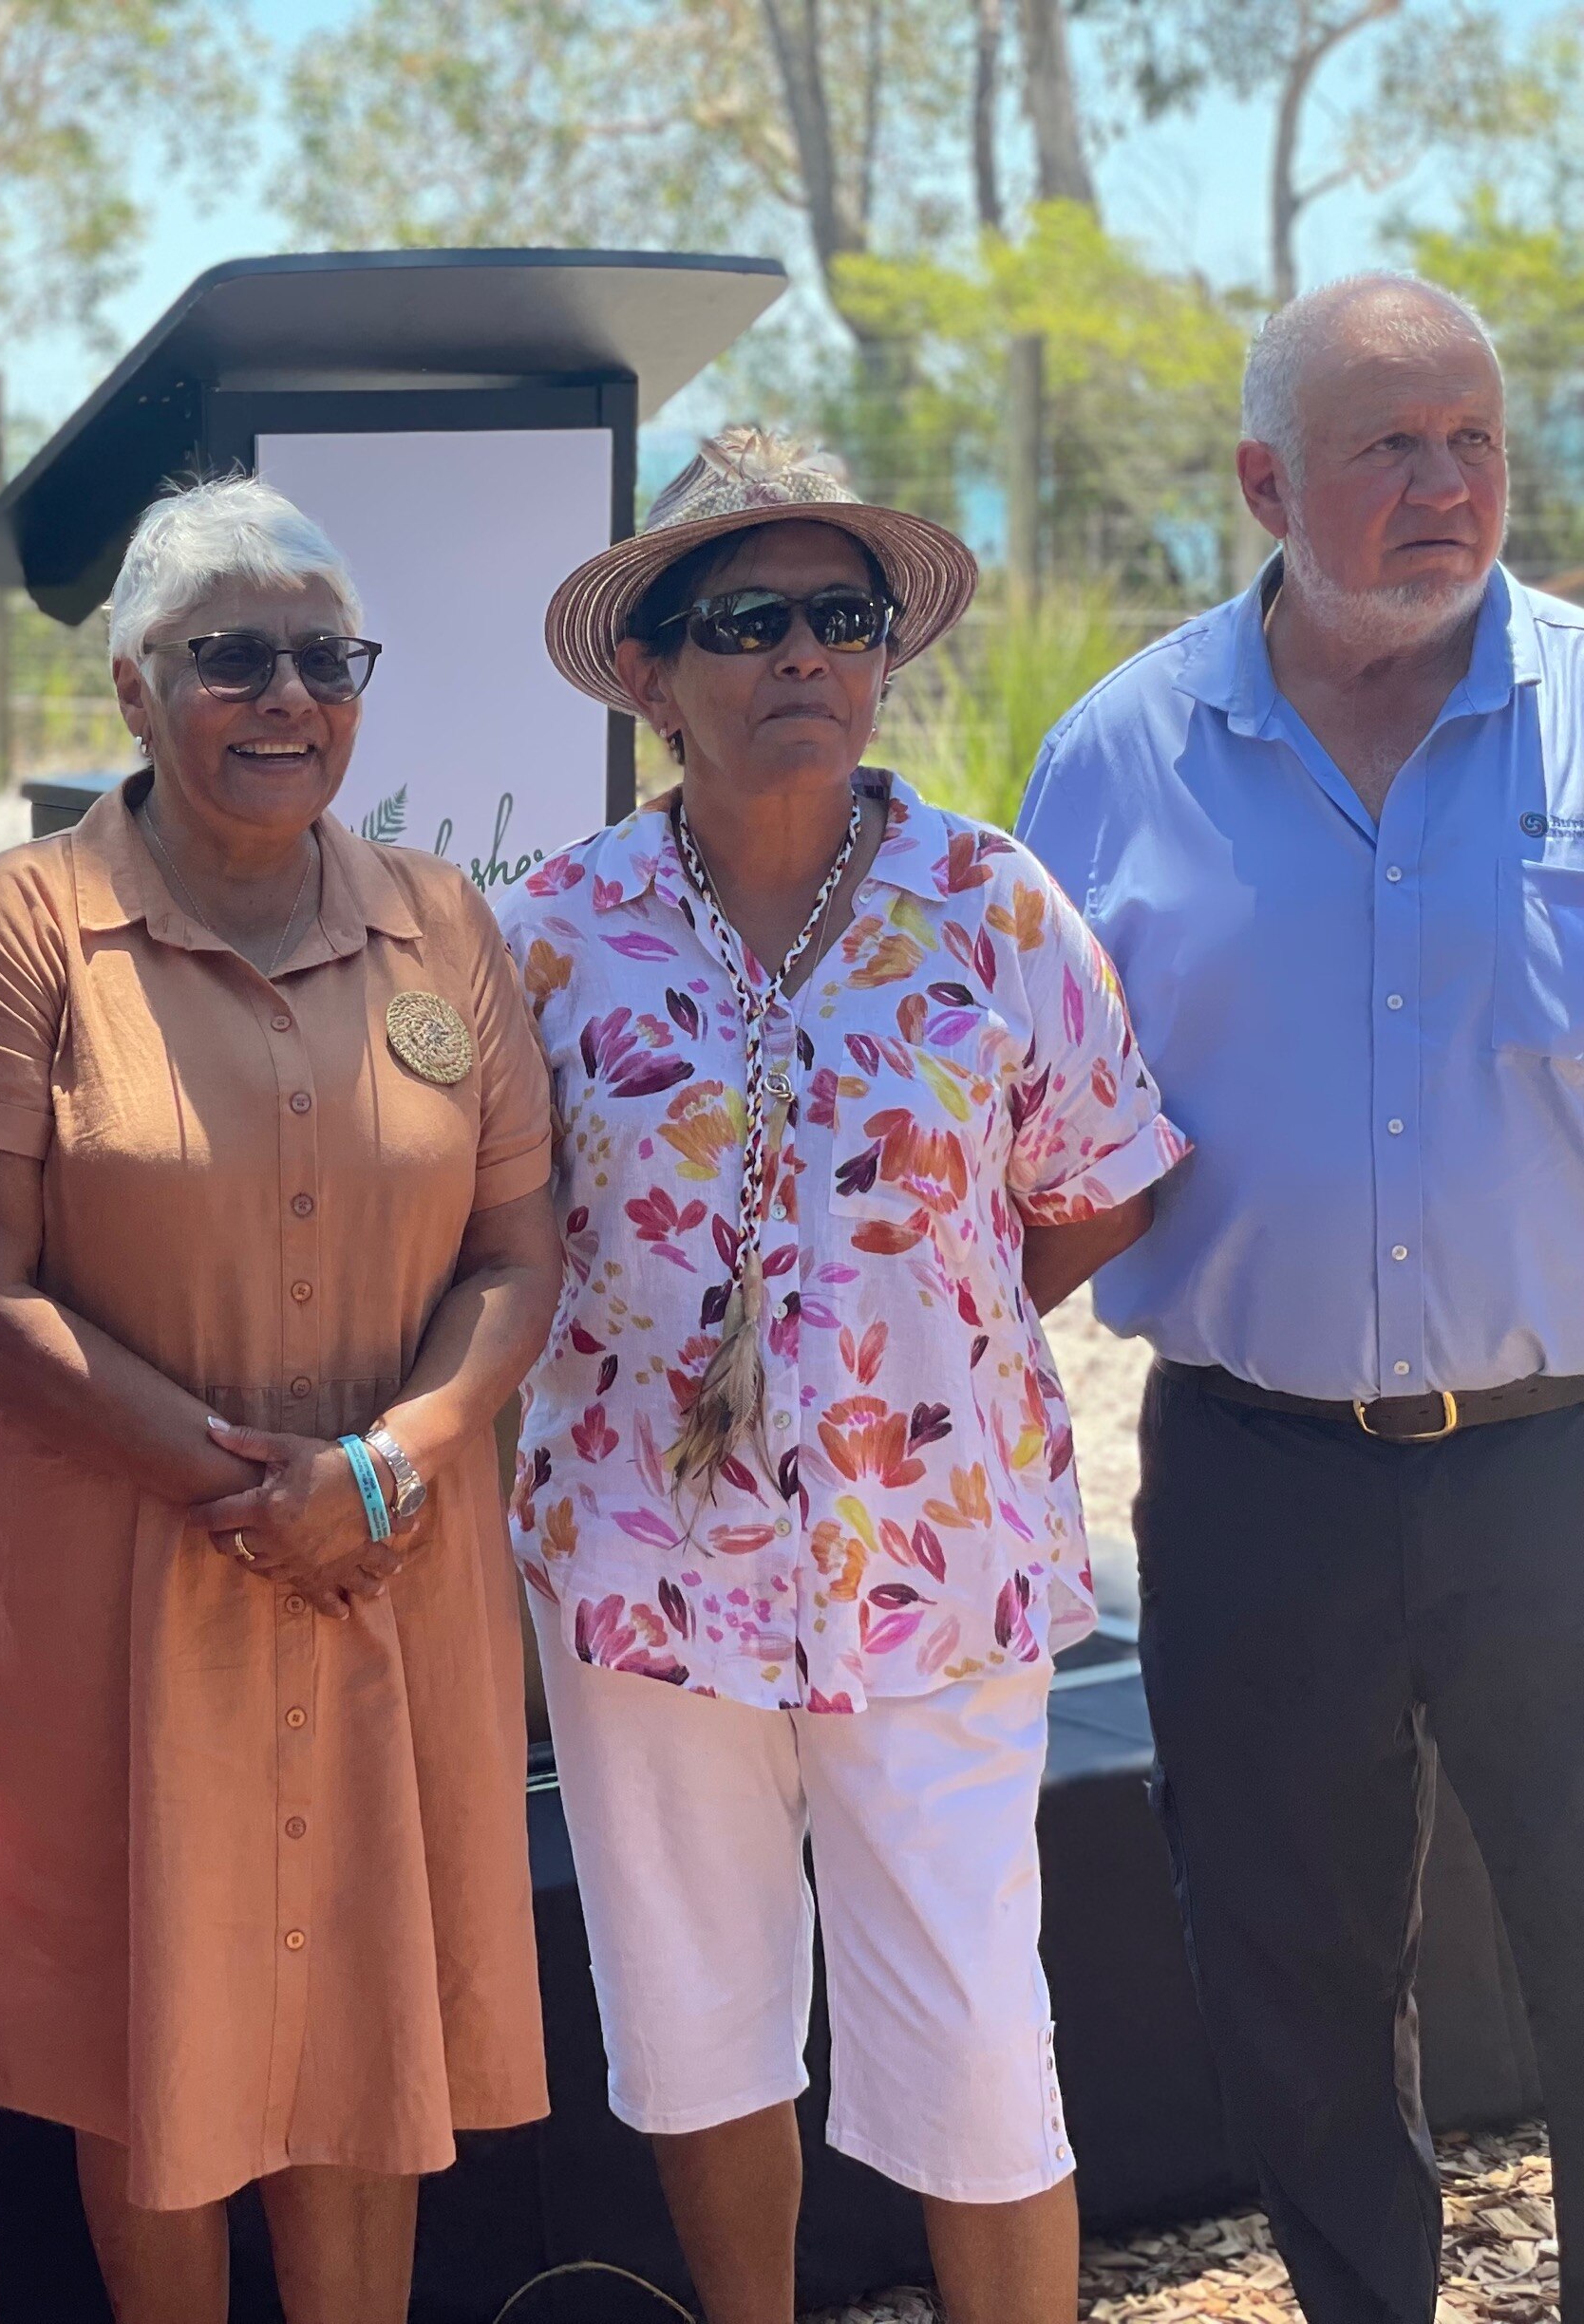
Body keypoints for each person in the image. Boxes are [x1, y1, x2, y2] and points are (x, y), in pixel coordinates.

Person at [502, 429, 1186, 2324]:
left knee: (977, 2038)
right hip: (645, 1572)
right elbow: (501, 1239)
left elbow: (1101, 1180)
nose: (803, 653)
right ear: (650, 674)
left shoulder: (993, 905)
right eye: (747, 621)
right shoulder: (549, 938)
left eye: (842, 615)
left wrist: (917, 1349)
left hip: (936, 1562)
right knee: (695, 2019)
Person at [0, 474, 560, 2322]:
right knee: (152, 2042)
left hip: (390, 1568)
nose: (286, 697)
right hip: (121, 1581)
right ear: (132, 686)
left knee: (364, 2024)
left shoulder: (442, 925)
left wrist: (385, 1471)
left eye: (327, 659)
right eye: (232, 656)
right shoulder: (26, 923)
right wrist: (252, 1493)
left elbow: (518, 1252)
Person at [1017, 273, 1582, 2324]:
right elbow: (1017, 1117)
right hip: (1255, 1473)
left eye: (1475, 441)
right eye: (1388, 448)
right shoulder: (1118, 760)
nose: (1447, 487)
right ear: (1265, 484)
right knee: (1295, 1976)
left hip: (1560, 1467)